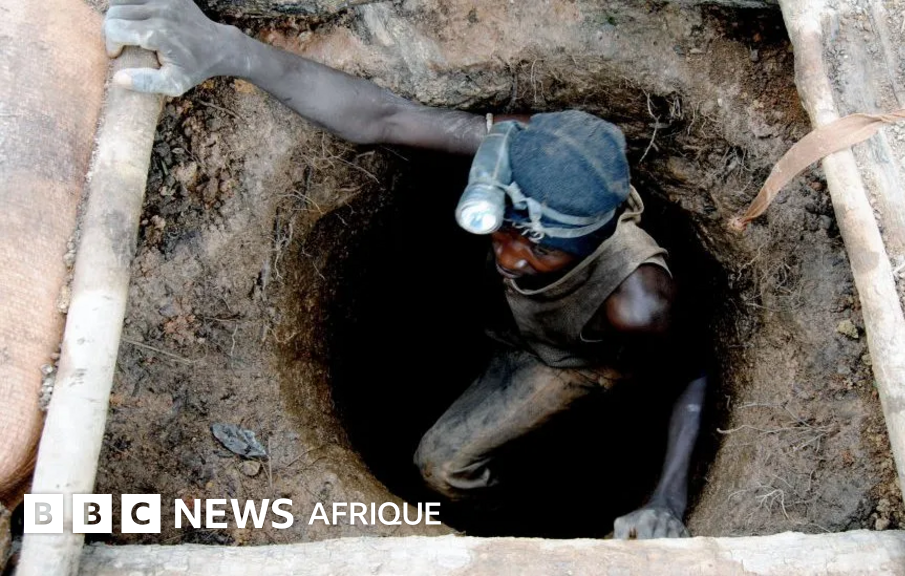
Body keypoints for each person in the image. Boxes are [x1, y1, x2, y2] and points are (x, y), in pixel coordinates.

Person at [103, 0, 708, 538]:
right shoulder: (528, 151)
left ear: (593, 239)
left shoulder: (639, 301)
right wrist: (232, 49)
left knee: (444, 467)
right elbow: (386, 119)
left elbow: (689, 374)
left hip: (571, 358)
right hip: (512, 319)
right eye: (500, 225)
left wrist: (667, 498)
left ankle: (513, 532)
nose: (509, 254)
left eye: (538, 250)